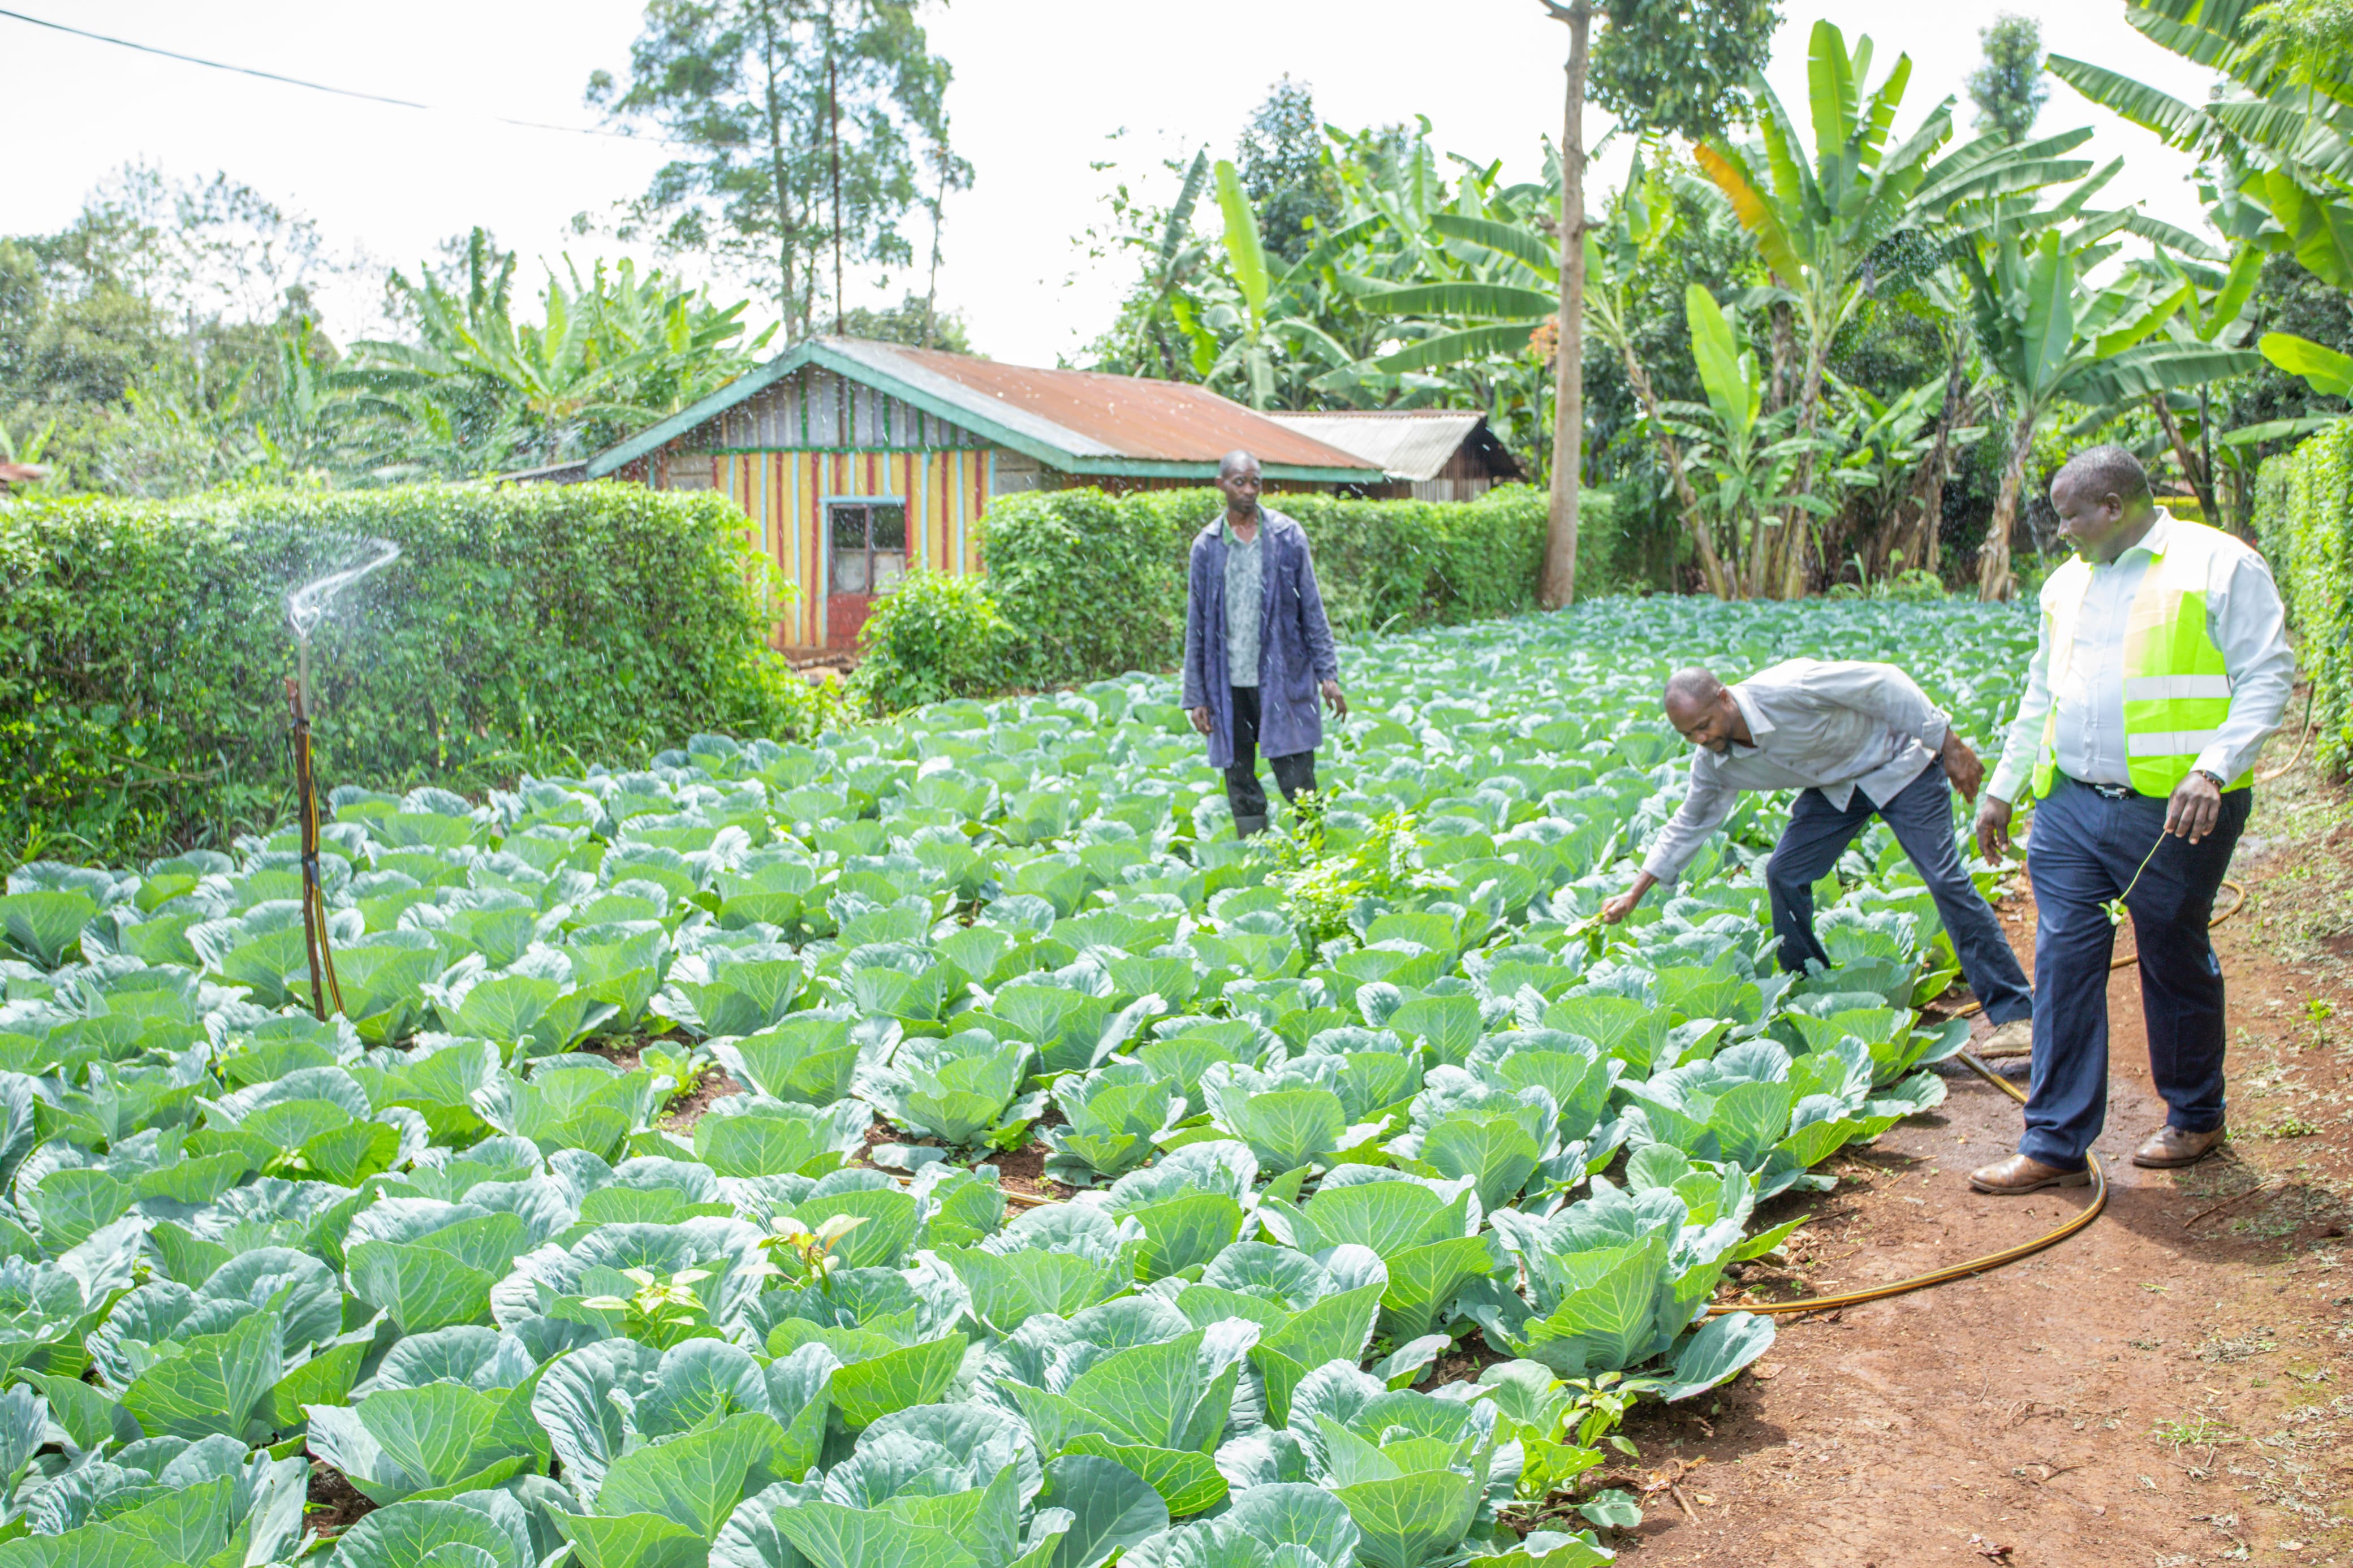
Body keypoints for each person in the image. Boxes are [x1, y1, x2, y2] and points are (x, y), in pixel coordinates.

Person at [1967, 446, 2293, 1196]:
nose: (2062, 533)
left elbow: (2268, 673)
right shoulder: (2066, 585)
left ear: (2113, 506)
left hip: (2174, 807)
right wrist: (2005, 788)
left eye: (2070, 516)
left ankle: (2195, 1114)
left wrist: (2215, 766)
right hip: (2072, 804)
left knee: (2171, 950)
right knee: (2065, 962)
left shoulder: (2218, 564)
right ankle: (2052, 1140)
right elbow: (2041, 692)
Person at [1602, 660, 2035, 1057]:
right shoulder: (1714, 762)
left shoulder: (1790, 687)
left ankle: (2018, 1013)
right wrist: (1634, 894)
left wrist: (1949, 743)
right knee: (1784, 873)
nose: (1701, 738)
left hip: (1902, 765)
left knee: (1944, 880)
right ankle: (1811, 991)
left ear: (1725, 698)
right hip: (1838, 789)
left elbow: (1884, 681)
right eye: (1689, 734)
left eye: (1704, 725)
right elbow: (1688, 822)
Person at [1180, 450, 1347, 837]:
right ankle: (1254, 858)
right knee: (1240, 780)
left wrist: (1328, 674)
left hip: (1282, 677)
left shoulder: (1287, 537)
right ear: (1221, 485)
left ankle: (1315, 862)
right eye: (1240, 482)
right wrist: (1196, 696)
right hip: (1228, 684)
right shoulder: (1207, 547)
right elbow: (1197, 625)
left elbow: (1313, 610)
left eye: (1256, 482)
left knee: (1298, 778)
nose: (1249, 491)